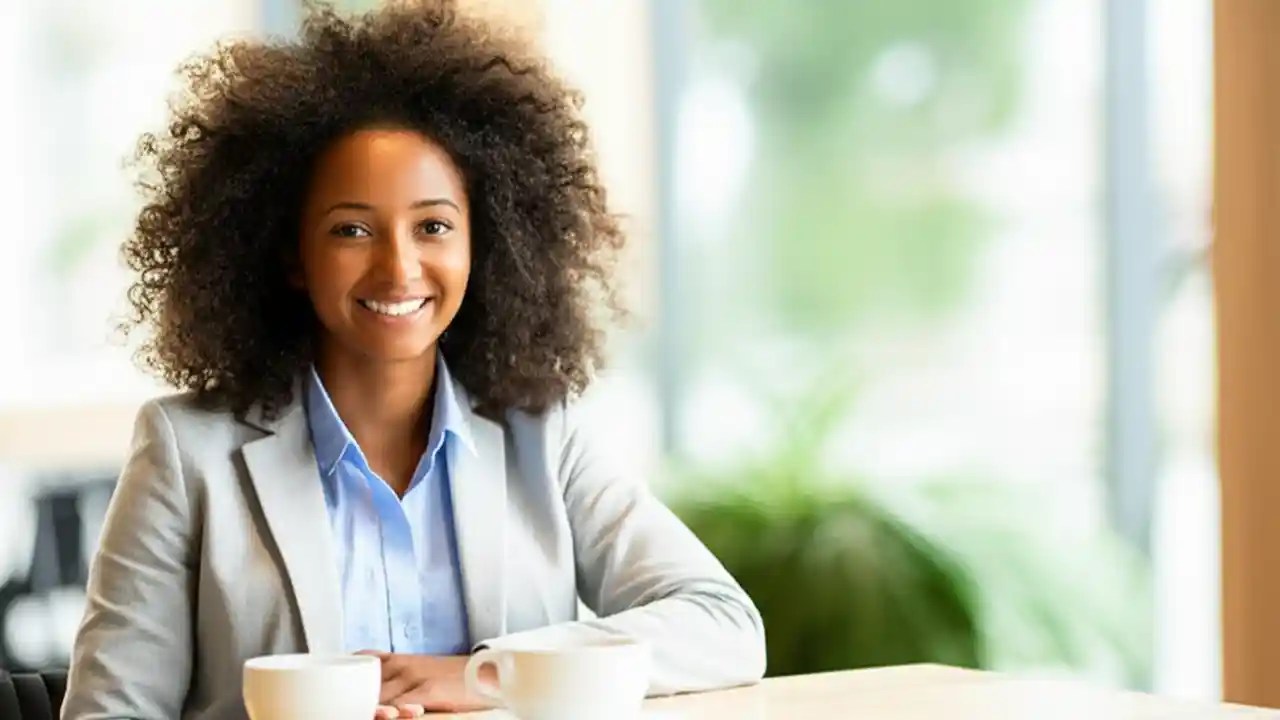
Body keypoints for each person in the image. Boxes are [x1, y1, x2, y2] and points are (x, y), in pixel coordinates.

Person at [60, 3, 766, 719]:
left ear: (481, 244)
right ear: (290, 254)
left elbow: (723, 625)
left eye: (433, 226)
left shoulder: (542, 437)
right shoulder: (187, 455)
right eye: (352, 229)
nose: (399, 268)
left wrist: (488, 676)